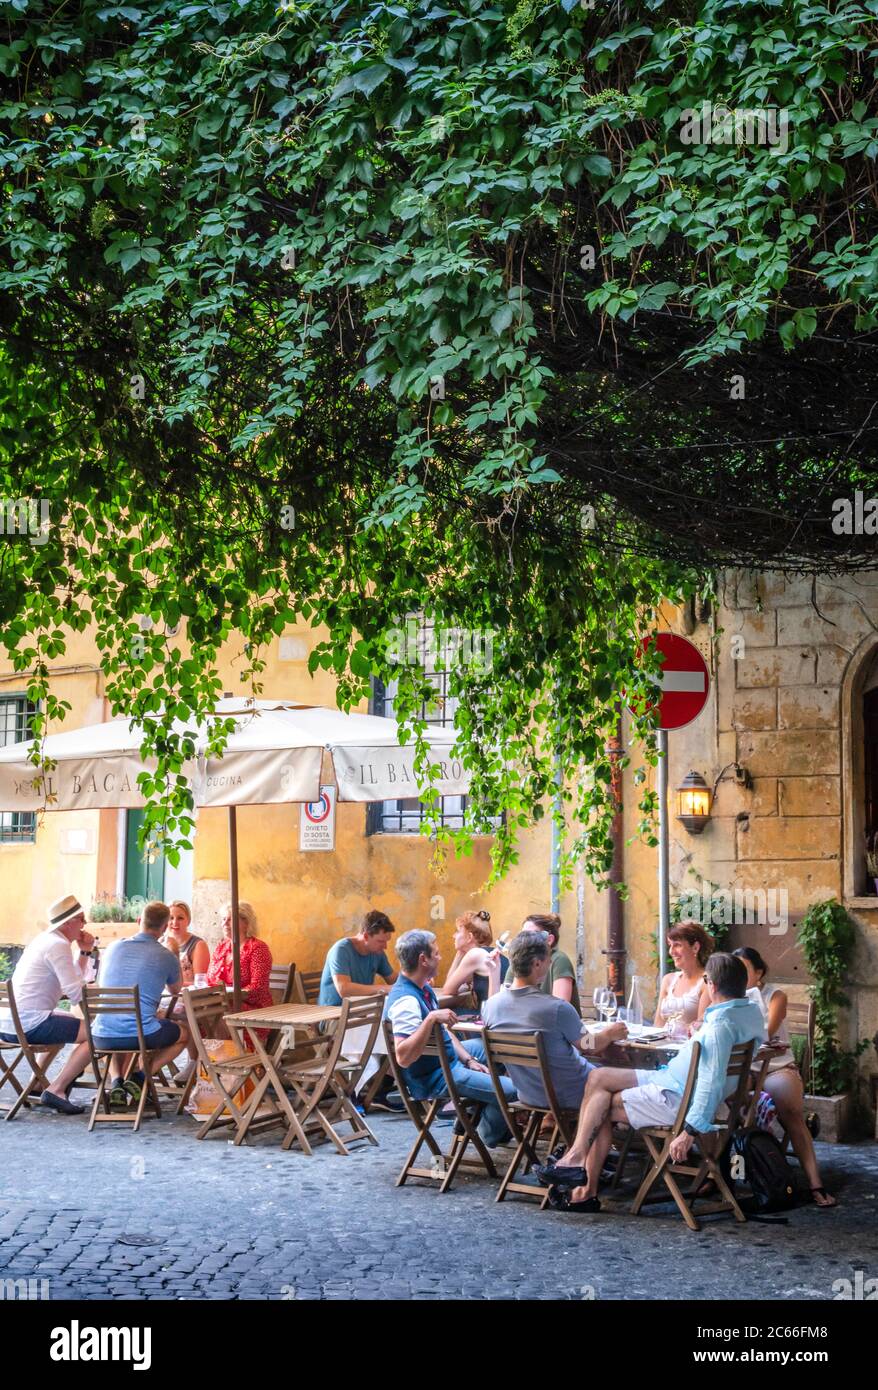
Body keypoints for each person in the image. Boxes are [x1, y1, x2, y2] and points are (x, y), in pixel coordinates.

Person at [535, 953, 764, 1212]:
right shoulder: (749, 1013)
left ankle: (584, 1189)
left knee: (601, 1107)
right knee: (598, 1077)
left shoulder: (720, 1028)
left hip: (675, 1097)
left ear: (710, 985)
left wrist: (689, 1132)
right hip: (671, 1079)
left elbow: (710, 1083)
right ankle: (575, 1161)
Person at [385, 929, 516, 1149]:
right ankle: (487, 1130)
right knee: (515, 1091)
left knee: (496, 1048)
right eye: (436, 953)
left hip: (449, 1061)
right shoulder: (405, 1001)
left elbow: (444, 1033)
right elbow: (403, 1057)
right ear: (423, 960)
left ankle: (470, 1114)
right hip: (435, 1076)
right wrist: (430, 1020)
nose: (440, 957)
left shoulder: (423, 988)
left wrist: (469, 1060)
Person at [734, 946, 836, 1208]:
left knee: (790, 1108)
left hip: (776, 1066)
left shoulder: (774, 996)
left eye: (744, 970)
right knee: (723, 1098)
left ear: (759, 972)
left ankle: (815, 1183)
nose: (739, 976)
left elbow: (766, 1032)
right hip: (745, 1067)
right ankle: (720, 1175)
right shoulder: (728, 998)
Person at [482, 930, 627, 1112]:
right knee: (629, 1078)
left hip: (529, 1094)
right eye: (548, 959)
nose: (550, 963)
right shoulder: (556, 1009)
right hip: (574, 1093)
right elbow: (589, 1045)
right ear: (537, 963)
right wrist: (610, 1033)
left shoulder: (491, 1006)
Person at [0, 894, 95, 1114]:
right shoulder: (57, 945)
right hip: (29, 1024)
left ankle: (35, 1083)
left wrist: (84, 952)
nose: (84, 924)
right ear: (69, 922)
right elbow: (74, 992)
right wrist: (96, 1014)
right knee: (97, 1034)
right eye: (82, 919)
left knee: (66, 1026)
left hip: (9, 1024)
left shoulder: (45, 940)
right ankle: (57, 1089)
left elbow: (71, 981)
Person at [94, 900, 190, 1107]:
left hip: (101, 1035)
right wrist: (174, 954)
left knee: (120, 1028)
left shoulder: (112, 947)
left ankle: (117, 1082)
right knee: (184, 1034)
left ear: (139, 921)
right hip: (140, 1034)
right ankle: (138, 1077)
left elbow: (102, 982)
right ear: (165, 928)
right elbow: (176, 990)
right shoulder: (165, 956)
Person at [318, 909, 397, 1006]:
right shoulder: (341, 950)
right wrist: (385, 988)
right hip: (333, 1016)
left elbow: (394, 979)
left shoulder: (377, 952)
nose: (385, 946)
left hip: (360, 1012)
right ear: (366, 936)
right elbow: (344, 989)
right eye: (381, 941)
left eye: (386, 941)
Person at [206, 901, 273, 1011]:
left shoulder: (258, 948)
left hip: (253, 1009)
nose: (225, 923)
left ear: (246, 923)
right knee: (193, 1009)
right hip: (221, 1004)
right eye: (223, 919)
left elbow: (258, 989)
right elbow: (210, 979)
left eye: (230, 919)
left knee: (208, 1012)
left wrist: (227, 997)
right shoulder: (221, 947)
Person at [440, 910, 506, 1009]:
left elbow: (448, 990)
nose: (454, 936)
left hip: (494, 1018)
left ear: (469, 937)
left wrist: (459, 954)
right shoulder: (490, 953)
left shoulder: (475, 955)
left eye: (457, 932)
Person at [654, 921, 713, 1031]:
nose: (671, 951)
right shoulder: (668, 980)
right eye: (670, 945)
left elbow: (701, 1029)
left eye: (677, 945)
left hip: (689, 1046)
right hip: (661, 1045)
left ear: (695, 947)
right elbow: (658, 1025)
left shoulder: (707, 981)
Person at [520, 913, 581, 1014]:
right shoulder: (519, 960)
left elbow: (560, 1010)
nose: (524, 940)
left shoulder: (559, 960)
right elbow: (505, 1003)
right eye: (522, 935)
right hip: (529, 1025)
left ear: (549, 940)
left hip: (557, 1027)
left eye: (531, 935)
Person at [162, 901, 209, 986]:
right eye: (171, 918)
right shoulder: (160, 942)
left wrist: (170, 986)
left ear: (188, 920)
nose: (175, 922)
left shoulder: (198, 945)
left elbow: (200, 984)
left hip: (188, 997)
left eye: (180, 918)